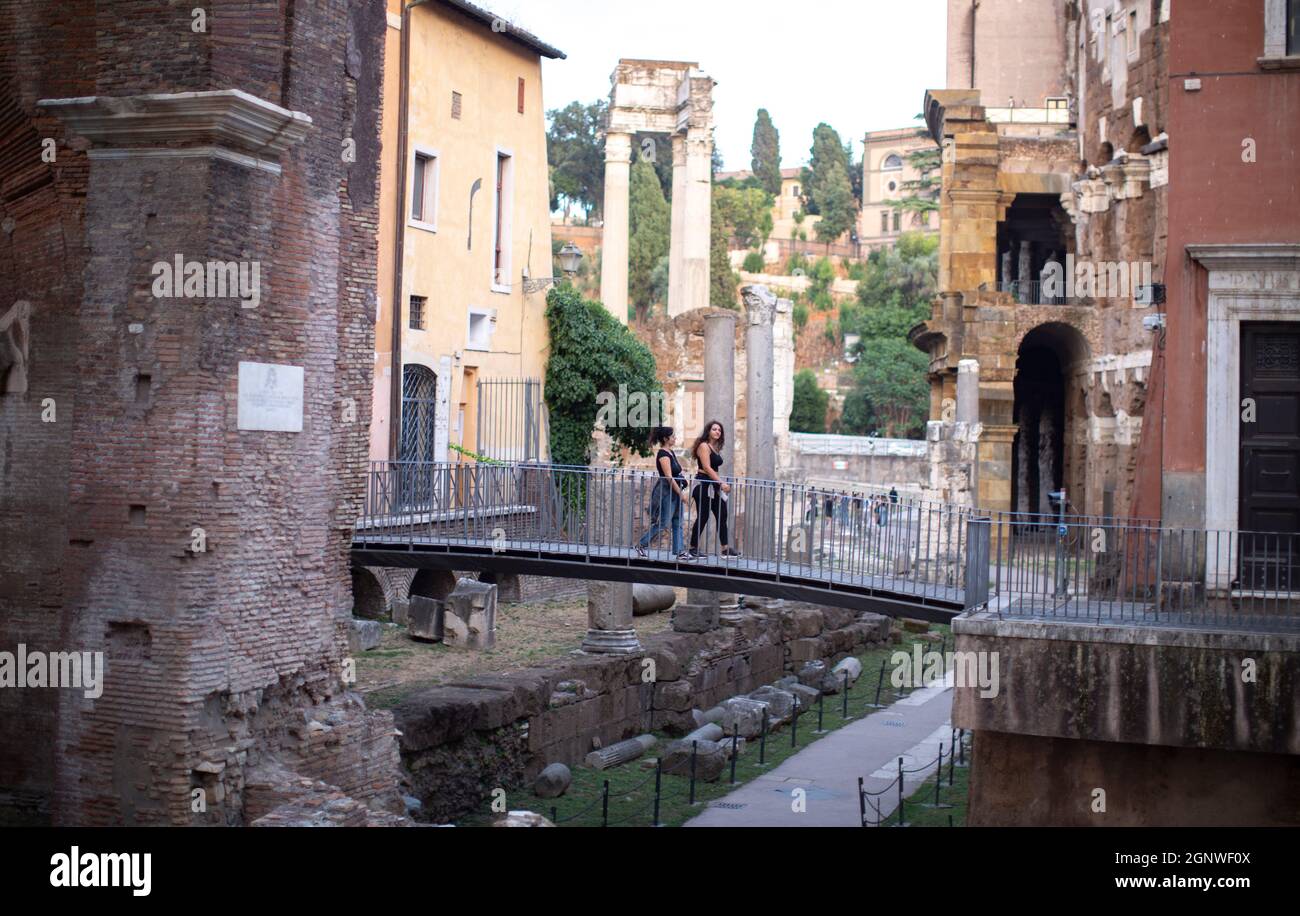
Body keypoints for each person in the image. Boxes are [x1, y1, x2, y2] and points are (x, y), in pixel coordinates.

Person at [635, 426, 691, 560]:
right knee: (664, 523)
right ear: (666, 439)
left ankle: (679, 552)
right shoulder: (663, 454)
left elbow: (676, 472)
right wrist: (681, 494)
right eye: (673, 436)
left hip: (676, 491)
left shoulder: (670, 452)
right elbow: (668, 477)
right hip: (668, 492)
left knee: (678, 521)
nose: (675, 438)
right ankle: (641, 545)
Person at [688, 420, 740, 558]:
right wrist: (721, 482)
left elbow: (714, 469)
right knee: (703, 516)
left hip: (713, 485)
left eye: (719, 430)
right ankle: (693, 548)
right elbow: (706, 468)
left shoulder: (714, 448)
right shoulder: (704, 446)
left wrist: (719, 484)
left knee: (722, 514)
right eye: (714, 429)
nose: (717, 431)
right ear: (708, 431)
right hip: (703, 484)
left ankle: (725, 549)